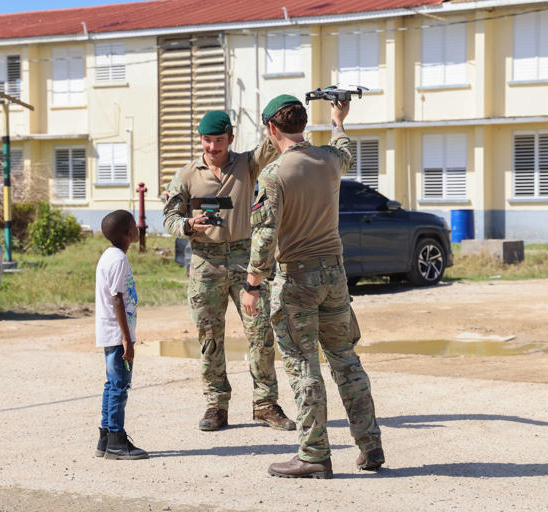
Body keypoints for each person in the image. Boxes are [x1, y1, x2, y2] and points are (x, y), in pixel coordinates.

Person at [241, 95, 384, 478]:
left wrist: (252, 284)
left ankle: (314, 454)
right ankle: (370, 446)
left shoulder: (274, 174)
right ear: (301, 125)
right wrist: (338, 119)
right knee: (346, 361)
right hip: (334, 276)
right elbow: (344, 149)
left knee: (304, 367)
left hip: (297, 280)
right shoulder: (328, 161)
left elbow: (264, 237)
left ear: (271, 129)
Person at [163, 111, 295, 432]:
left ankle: (265, 404)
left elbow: (273, 143)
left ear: (230, 139)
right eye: (206, 141)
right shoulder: (186, 176)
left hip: (244, 259)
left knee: (260, 331)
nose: (212, 147)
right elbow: (168, 217)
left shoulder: (247, 164)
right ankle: (216, 405)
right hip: (205, 262)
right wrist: (187, 224)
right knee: (209, 337)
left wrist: (276, 119)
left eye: (218, 141)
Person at [95, 209, 148, 460]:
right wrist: (126, 338)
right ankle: (116, 440)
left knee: (112, 385)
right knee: (120, 386)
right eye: (134, 226)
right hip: (117, 335)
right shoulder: (118, 260)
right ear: (128, 234)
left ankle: (105, 438)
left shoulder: (110, 255)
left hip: (113, 333)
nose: (138, 228)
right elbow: (117, 299)